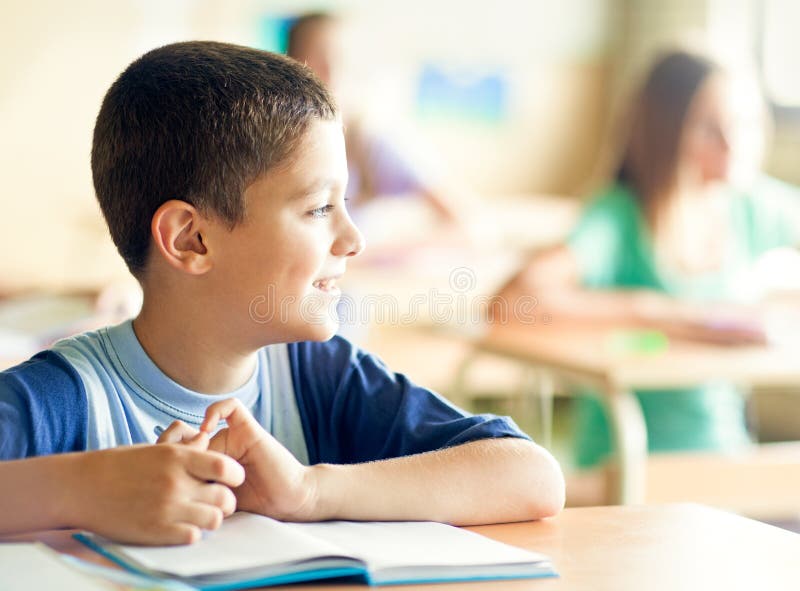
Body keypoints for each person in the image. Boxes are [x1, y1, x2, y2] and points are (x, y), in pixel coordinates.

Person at [0, 41, 564, 544]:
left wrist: (308, 492)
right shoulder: (63, 399)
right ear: (191, 239)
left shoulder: (321, 376)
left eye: (346, 204)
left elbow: (532, 476)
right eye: (320, 207)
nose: (353, 238)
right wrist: (80, 486)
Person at [497, 50, 800, 488]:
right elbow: (514, 303)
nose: (733, 143)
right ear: (664, 132)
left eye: (745, 123)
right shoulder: (618, 217)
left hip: (727, 461)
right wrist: (668, 313)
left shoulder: (752, 206)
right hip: (626, 469)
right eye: (708, 128)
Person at [286, 12, 458, 223]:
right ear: (291, 65)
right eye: (318, 55)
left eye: (340, 57)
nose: (331, 69)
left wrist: (370, 256)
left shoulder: (372, 136)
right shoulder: (279, 142)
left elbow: (464, 219)